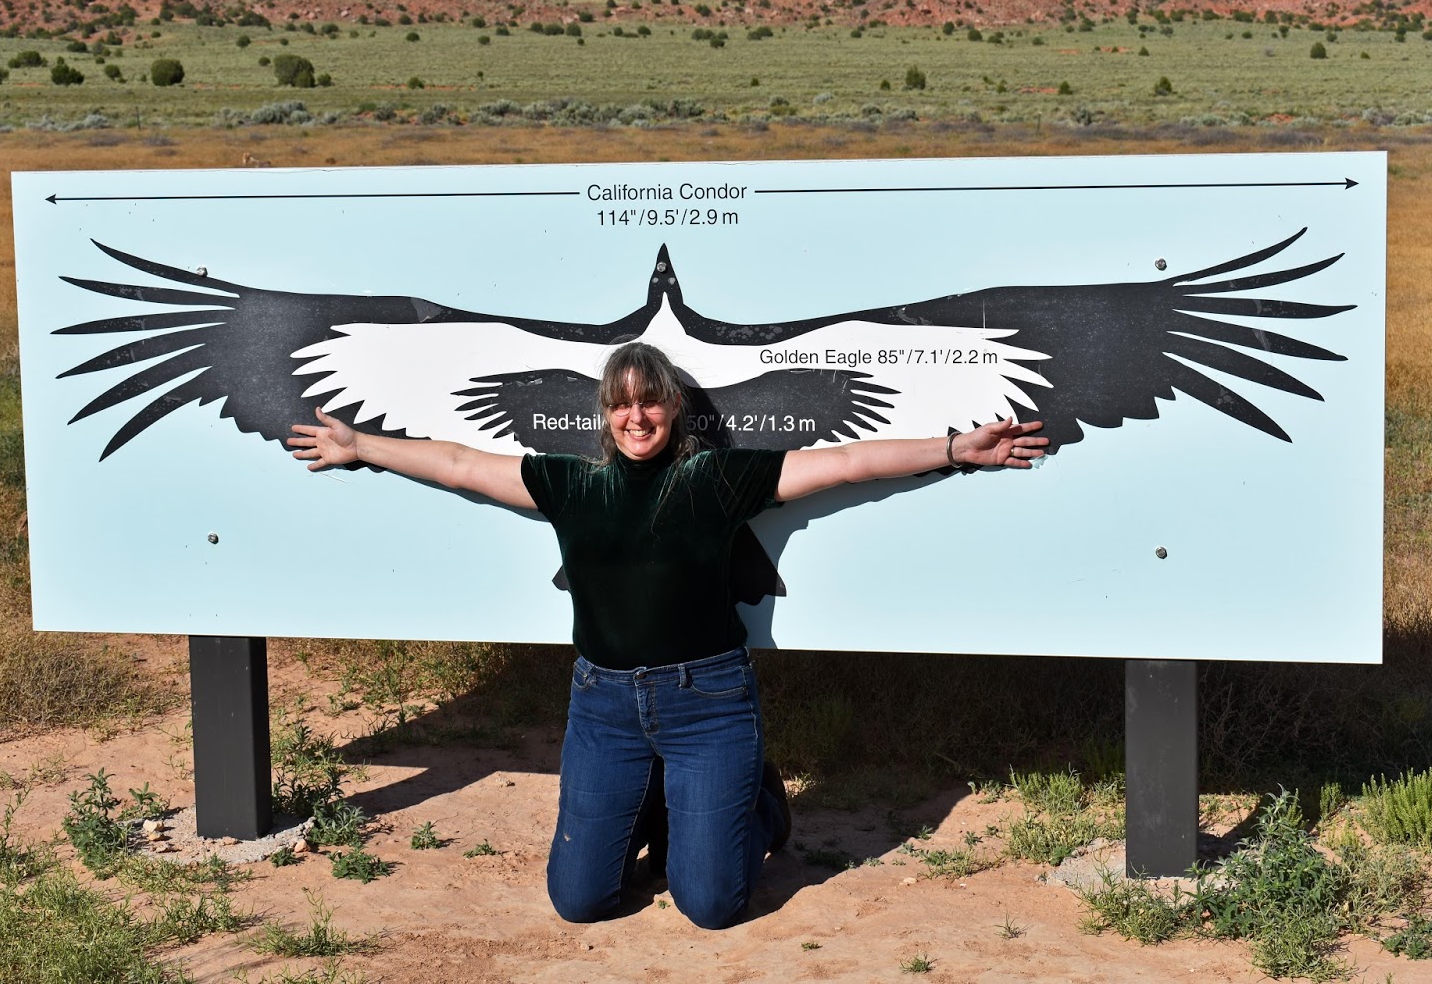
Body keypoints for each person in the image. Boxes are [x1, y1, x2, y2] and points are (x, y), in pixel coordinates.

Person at [288, 342, 1047, 929]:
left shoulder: (715, 480)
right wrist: (361, 447)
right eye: (622, 406)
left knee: (710, 906)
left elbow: (847, 462)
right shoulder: (571, 485)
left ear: (674, 406)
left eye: (650, 402)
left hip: (708, 702)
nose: (637, 418)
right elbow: (457, 463)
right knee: (580, 901)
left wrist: (953, 450)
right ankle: (659, 796)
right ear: (605, 414)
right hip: (604, 709)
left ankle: (760, 804)